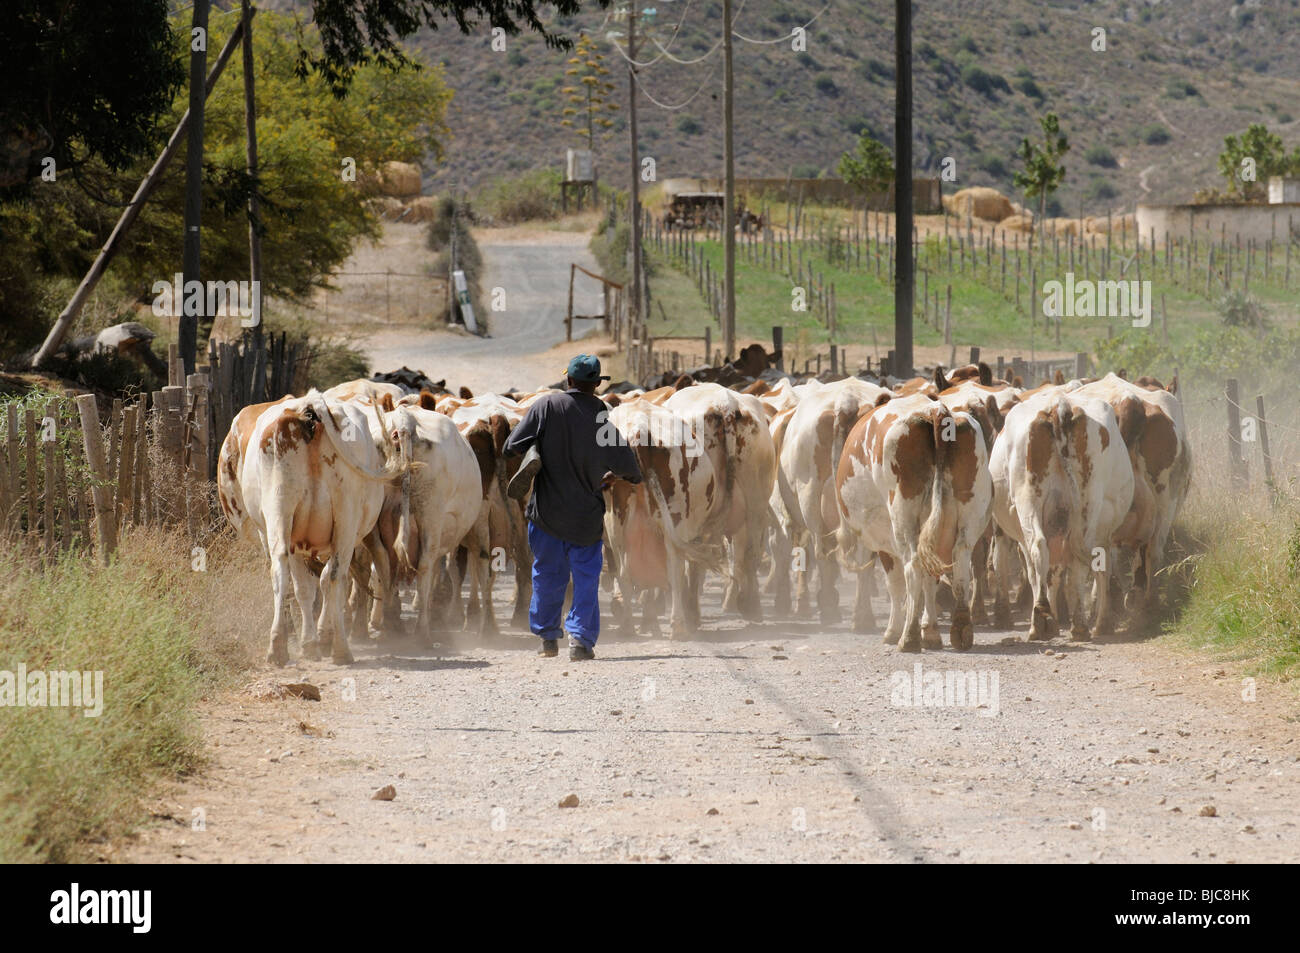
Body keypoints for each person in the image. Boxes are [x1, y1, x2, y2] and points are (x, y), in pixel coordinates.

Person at [503, 354, 641, 660]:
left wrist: (538, 449)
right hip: (586, 518)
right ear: (596, 385)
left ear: (569, 380)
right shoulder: (599, 415)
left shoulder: (545, 406)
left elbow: (510, 447)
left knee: (547, 575)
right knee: (586, 579)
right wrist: (615, 474)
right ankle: (580, 641)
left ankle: (547, 639)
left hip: (546, 515)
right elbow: (630, 467)